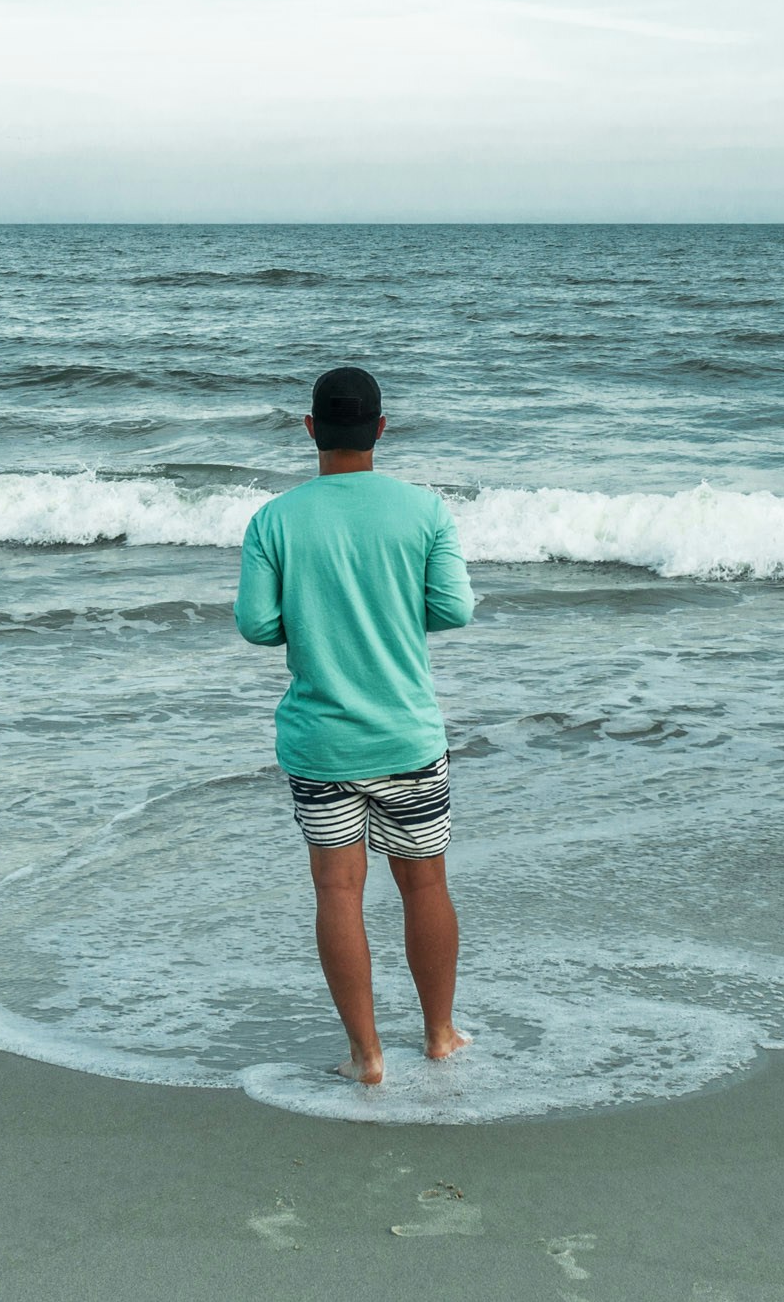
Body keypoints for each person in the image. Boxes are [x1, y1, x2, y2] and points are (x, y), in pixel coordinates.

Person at [233, 365, 475, 1085]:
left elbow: (257, 624)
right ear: (381, 428)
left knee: (337, 891)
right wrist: (392, 612)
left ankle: (367, 1056)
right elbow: (454, 608)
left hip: (321, 742)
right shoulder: (424, 510)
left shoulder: (274, 519)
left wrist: (315, 617)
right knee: (424, 886)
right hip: (406, 737)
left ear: (311, 429)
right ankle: (439, 1035)